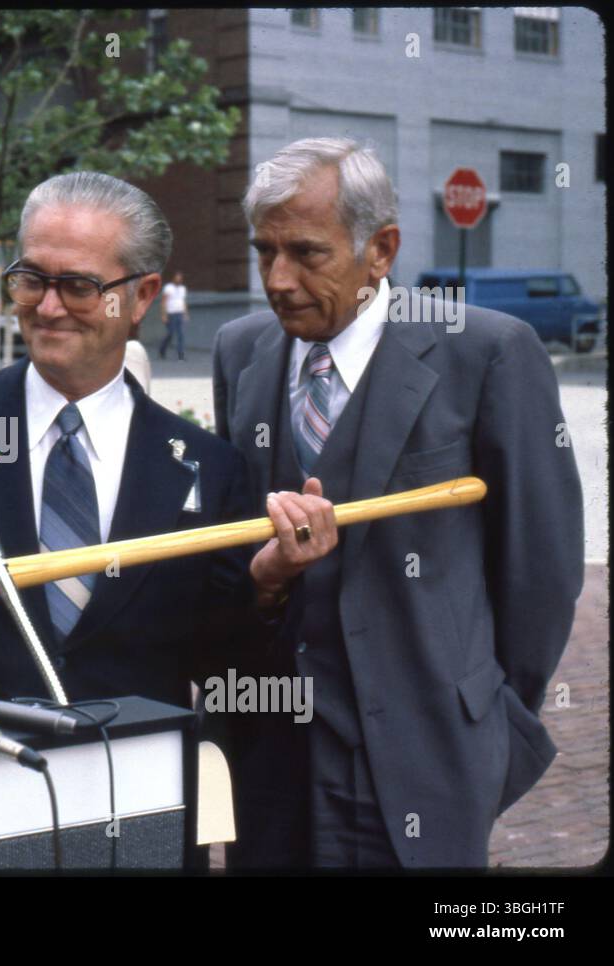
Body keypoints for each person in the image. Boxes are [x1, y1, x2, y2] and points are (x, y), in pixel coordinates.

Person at [211, 137, 584, 868]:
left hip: (425, 763)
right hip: (272, 765)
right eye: (264, 251)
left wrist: (488, 729)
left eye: (306, 253)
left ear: (381, 250)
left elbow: (541, 573)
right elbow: (230, 548)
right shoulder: (239, 351)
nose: (277, 280)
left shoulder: (487, 353)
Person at [0, 171, 336, 708]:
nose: (49, 308)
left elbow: (225, 662)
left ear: (142, 296)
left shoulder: (207, 469)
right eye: (31, 280)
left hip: (132, 779)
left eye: (80, 287)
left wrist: (266, 583)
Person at [159, 270, 188, 360]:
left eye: (180, 278)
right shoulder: (168, 288)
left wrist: (185, 313)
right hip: (171, 314)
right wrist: (164, 315)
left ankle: (181, 355)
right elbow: (163, 301)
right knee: (170, 334)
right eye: (177, 278)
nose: (178, 279)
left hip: (179, 313)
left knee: (181, 334)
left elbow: (183, 301)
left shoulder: (182, 289)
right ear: (174, 278)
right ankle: (162, 350)